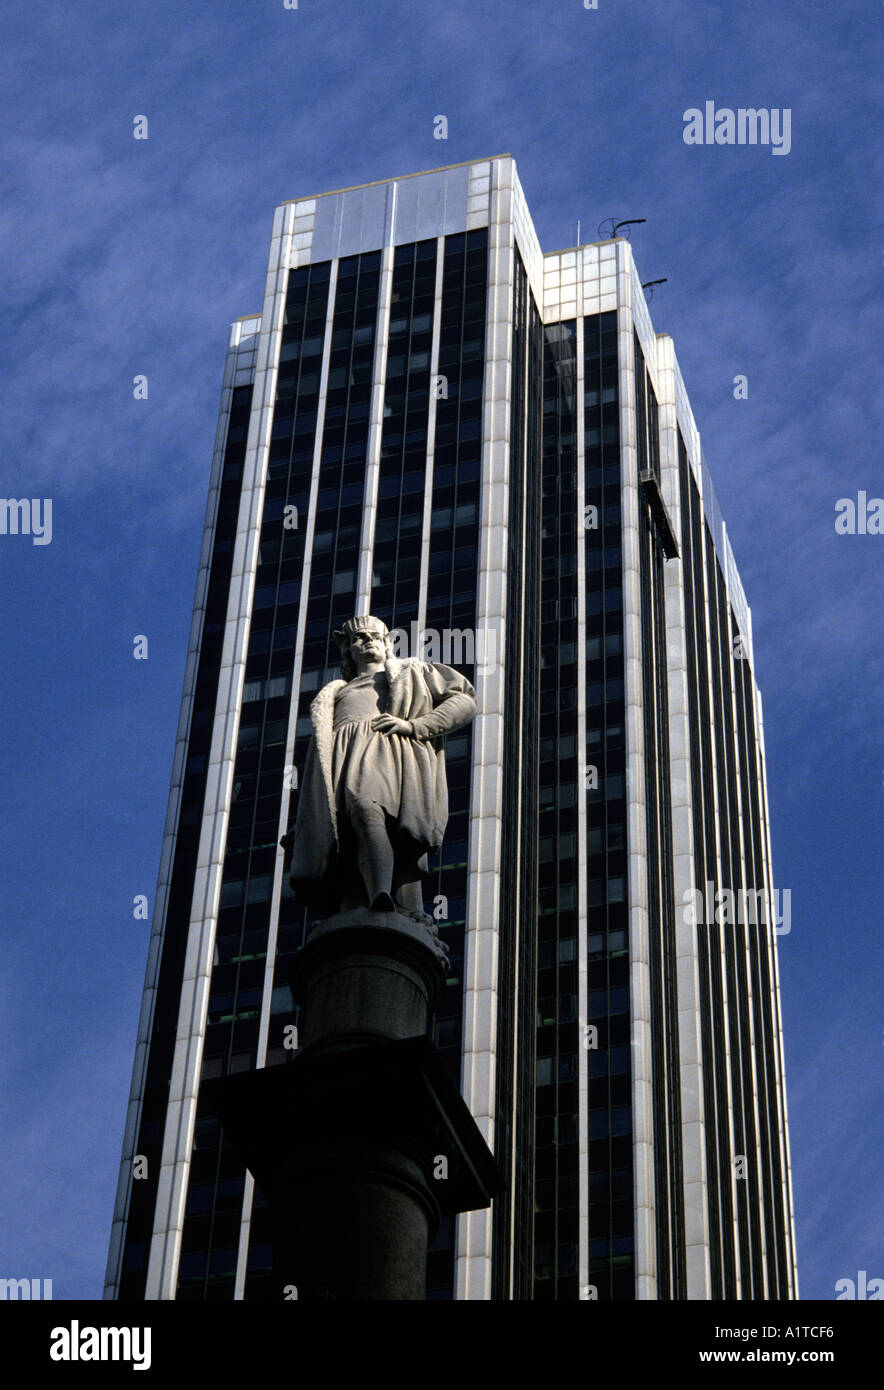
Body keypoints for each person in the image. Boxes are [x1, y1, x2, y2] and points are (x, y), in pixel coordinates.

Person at [282, 615, 477, 918]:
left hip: (387, 757)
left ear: (387, 643)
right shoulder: (334, 694)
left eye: (375, 635)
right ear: (348, 649)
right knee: (346, 836)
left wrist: (416, 726)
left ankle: (381, 894)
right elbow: (320, 763)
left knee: (366, 807)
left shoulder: (413, 672)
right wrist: (309, 817)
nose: (368, 640)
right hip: (341, 763)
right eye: (359, 637)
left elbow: (464, 700)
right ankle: (365, 903)